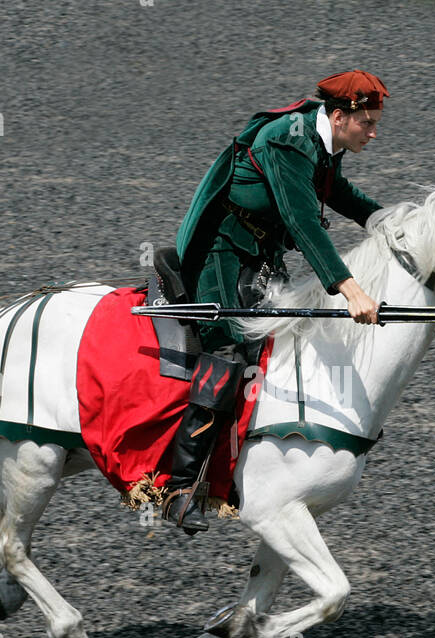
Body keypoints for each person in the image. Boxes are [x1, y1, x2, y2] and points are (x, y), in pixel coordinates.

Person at [162, 69, 390, 534]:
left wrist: (385, 218)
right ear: (341, 115)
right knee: (229, 349)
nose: (373, 131)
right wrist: (350, 288)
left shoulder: (324, 139)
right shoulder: (287, 140)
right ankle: (180, 486)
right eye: (366, 122)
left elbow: (334, 193)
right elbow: (303, 220)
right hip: (222, 254)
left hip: (262, 254)